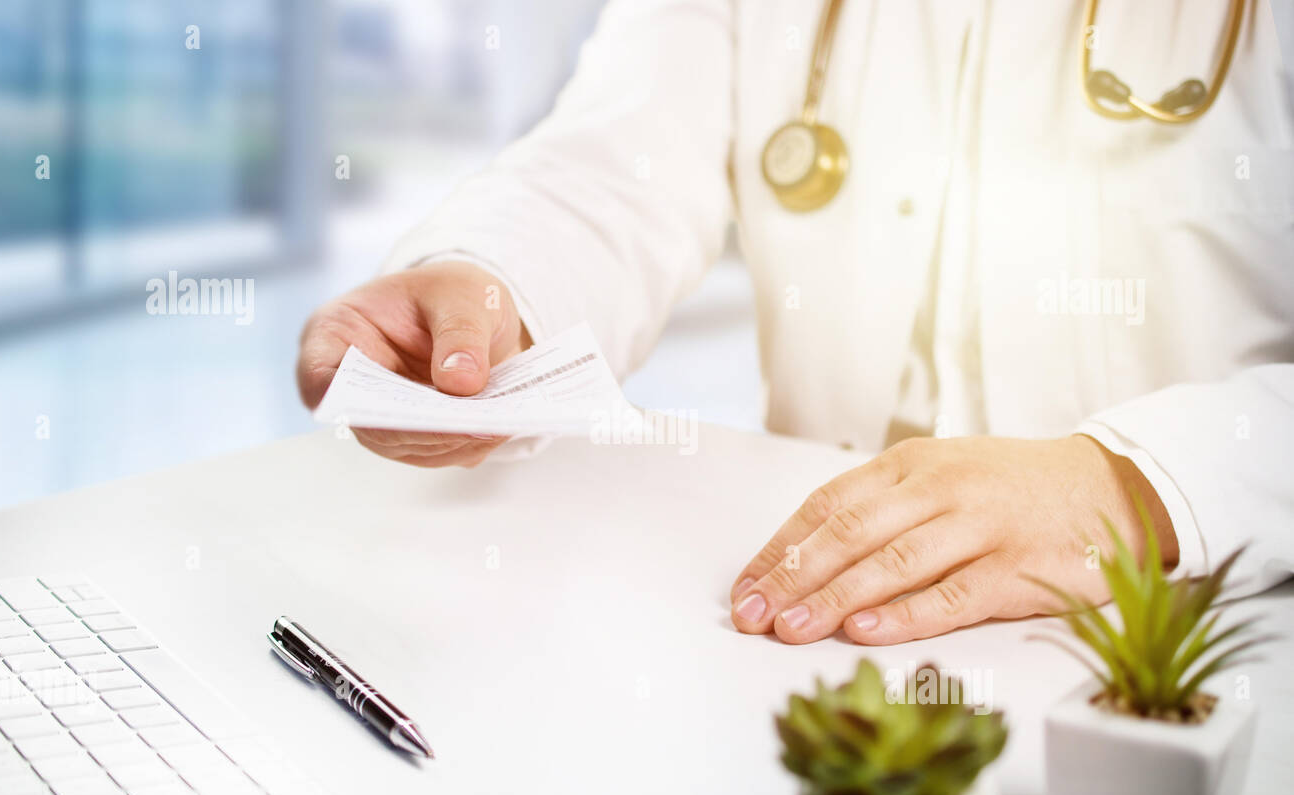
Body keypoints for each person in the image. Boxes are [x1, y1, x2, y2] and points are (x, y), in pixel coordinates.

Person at [296, 0, 1293, 646]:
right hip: (806, 617)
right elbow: (611, 168)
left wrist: (1127, 486)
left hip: (1184, 631)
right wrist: (487, 286)